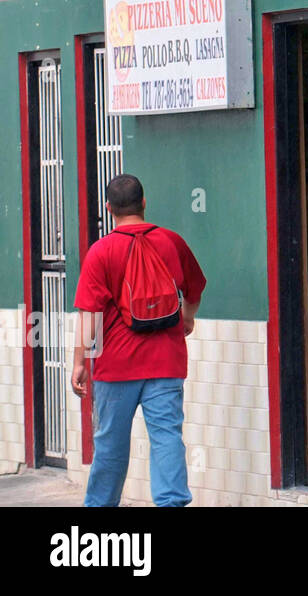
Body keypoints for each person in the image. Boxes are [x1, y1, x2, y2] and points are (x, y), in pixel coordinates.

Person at [70, 174, 207, 507]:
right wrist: (187, 316)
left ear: (108, 208)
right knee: (167, 439)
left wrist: (78, 362)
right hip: (166, 362)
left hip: (115, 367)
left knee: (110, 445)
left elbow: (90, 315)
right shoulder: (172, 241)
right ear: (144, 203)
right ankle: (171, 503)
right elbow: (195, 287)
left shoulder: (100, 252)